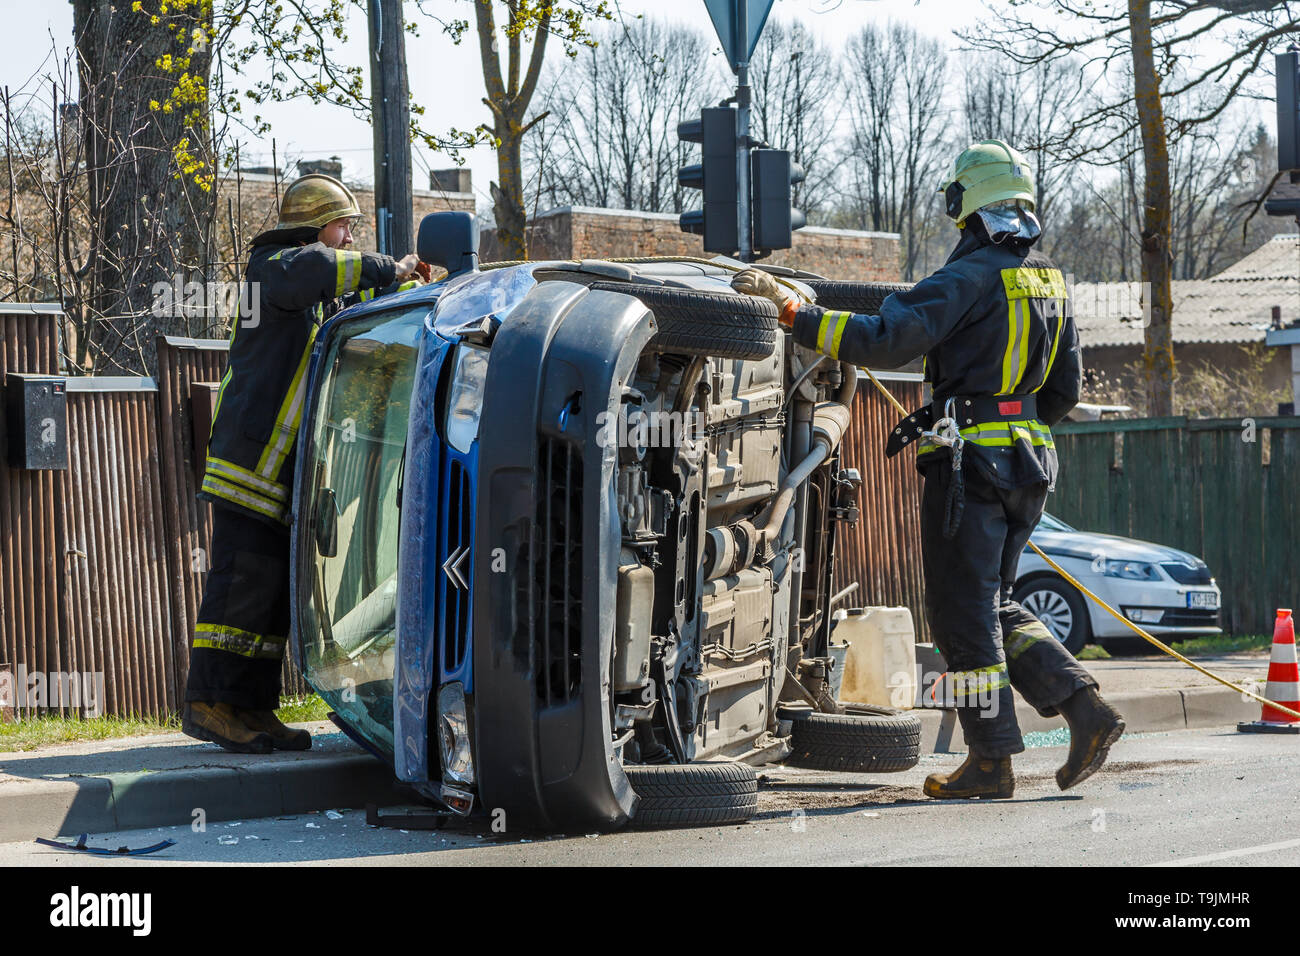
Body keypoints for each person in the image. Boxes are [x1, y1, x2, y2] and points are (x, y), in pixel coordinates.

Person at [732, 139, 1124, 798]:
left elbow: (883, 340)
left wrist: (794, 313)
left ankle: (992, 761)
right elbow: (1063, 392)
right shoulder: (1049, 278)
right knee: (994, 603)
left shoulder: (964, 279)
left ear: (964, 208)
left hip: (974, 470)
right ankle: (1085, 710)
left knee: (961, 617)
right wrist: (988, 419)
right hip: (1031, 462)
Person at [182, 173, 420, 754]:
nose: (346, 239)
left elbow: (353, 302)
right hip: (249, 467)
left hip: (281, 476)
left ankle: (251, 707)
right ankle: (209, 703)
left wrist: (405, 288)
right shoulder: (274, 268)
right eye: (342, 227)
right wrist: (389, 265)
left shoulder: (302, 289)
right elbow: (322, 270)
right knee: (239, 587)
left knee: (268, 594)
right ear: (314, 225)